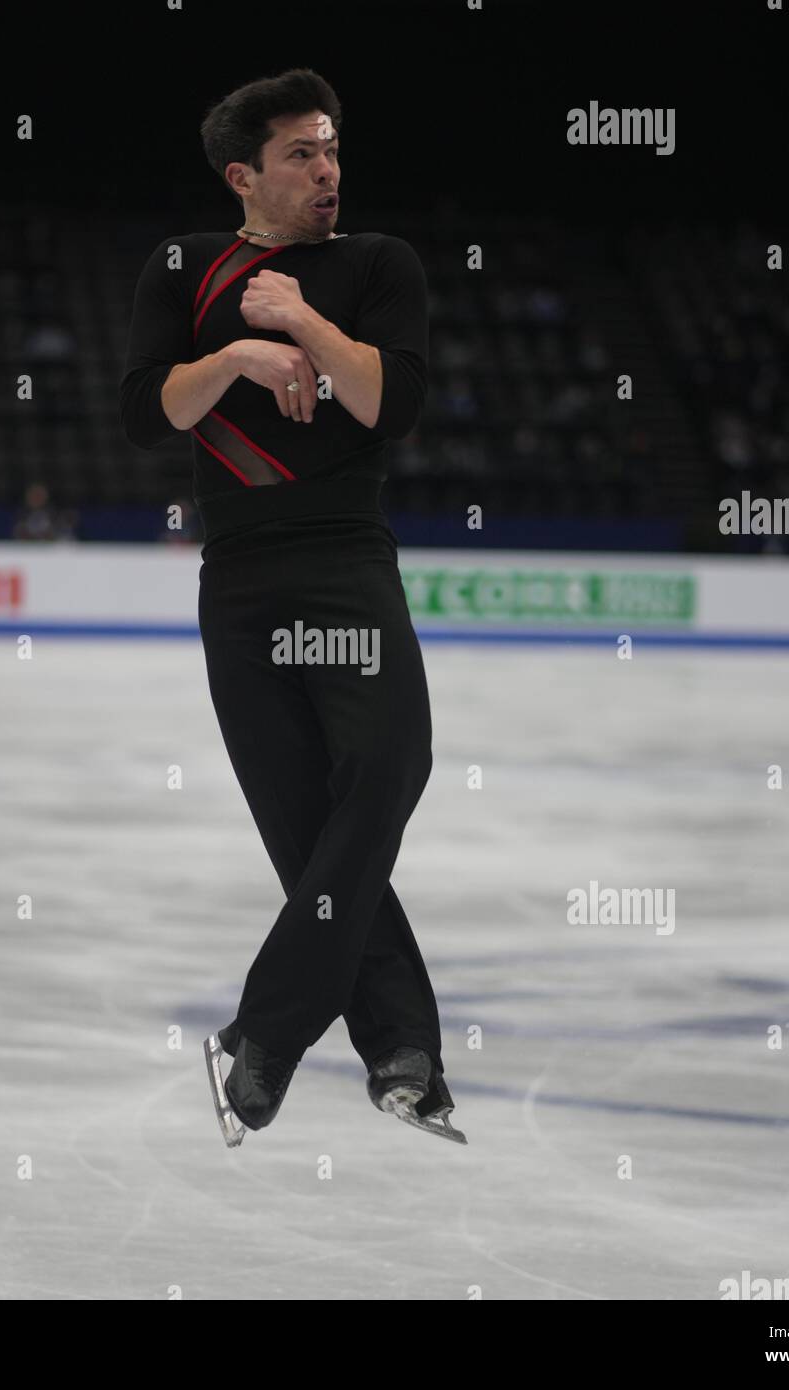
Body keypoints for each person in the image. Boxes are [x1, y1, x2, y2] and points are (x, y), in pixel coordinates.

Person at [118, 69, 464, 1146]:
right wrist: (229, 353)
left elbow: (388, 405)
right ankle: (404, 1054)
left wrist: (302, 319)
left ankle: (261, 1038)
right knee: (306, 825)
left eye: (332, 149)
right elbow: (143, 415)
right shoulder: (185, 267)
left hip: (345, 559)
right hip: (241, 574)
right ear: (245, 174)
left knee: (388, 768)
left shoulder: (374, 264)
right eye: (301, 156)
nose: (327, 171)